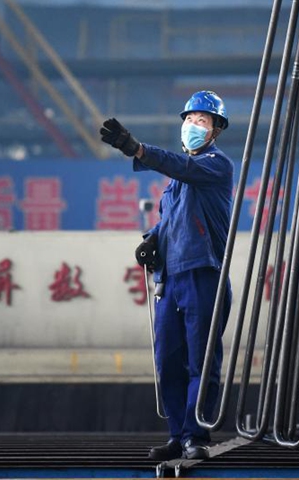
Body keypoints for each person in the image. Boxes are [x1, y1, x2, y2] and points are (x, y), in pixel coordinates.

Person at [99, 91, 233, 461]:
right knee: (169, 360)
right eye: (189, 119)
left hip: (203, 274)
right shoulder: (176, 182)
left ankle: (196, 435)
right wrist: (152, 239)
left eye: (202, 121)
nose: (193, 125)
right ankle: (177, 434)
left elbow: (179, 165)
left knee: (200, 360)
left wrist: (138, 149)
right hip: (171, 278)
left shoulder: (216, 166)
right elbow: (171, 218)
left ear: (215, 130)